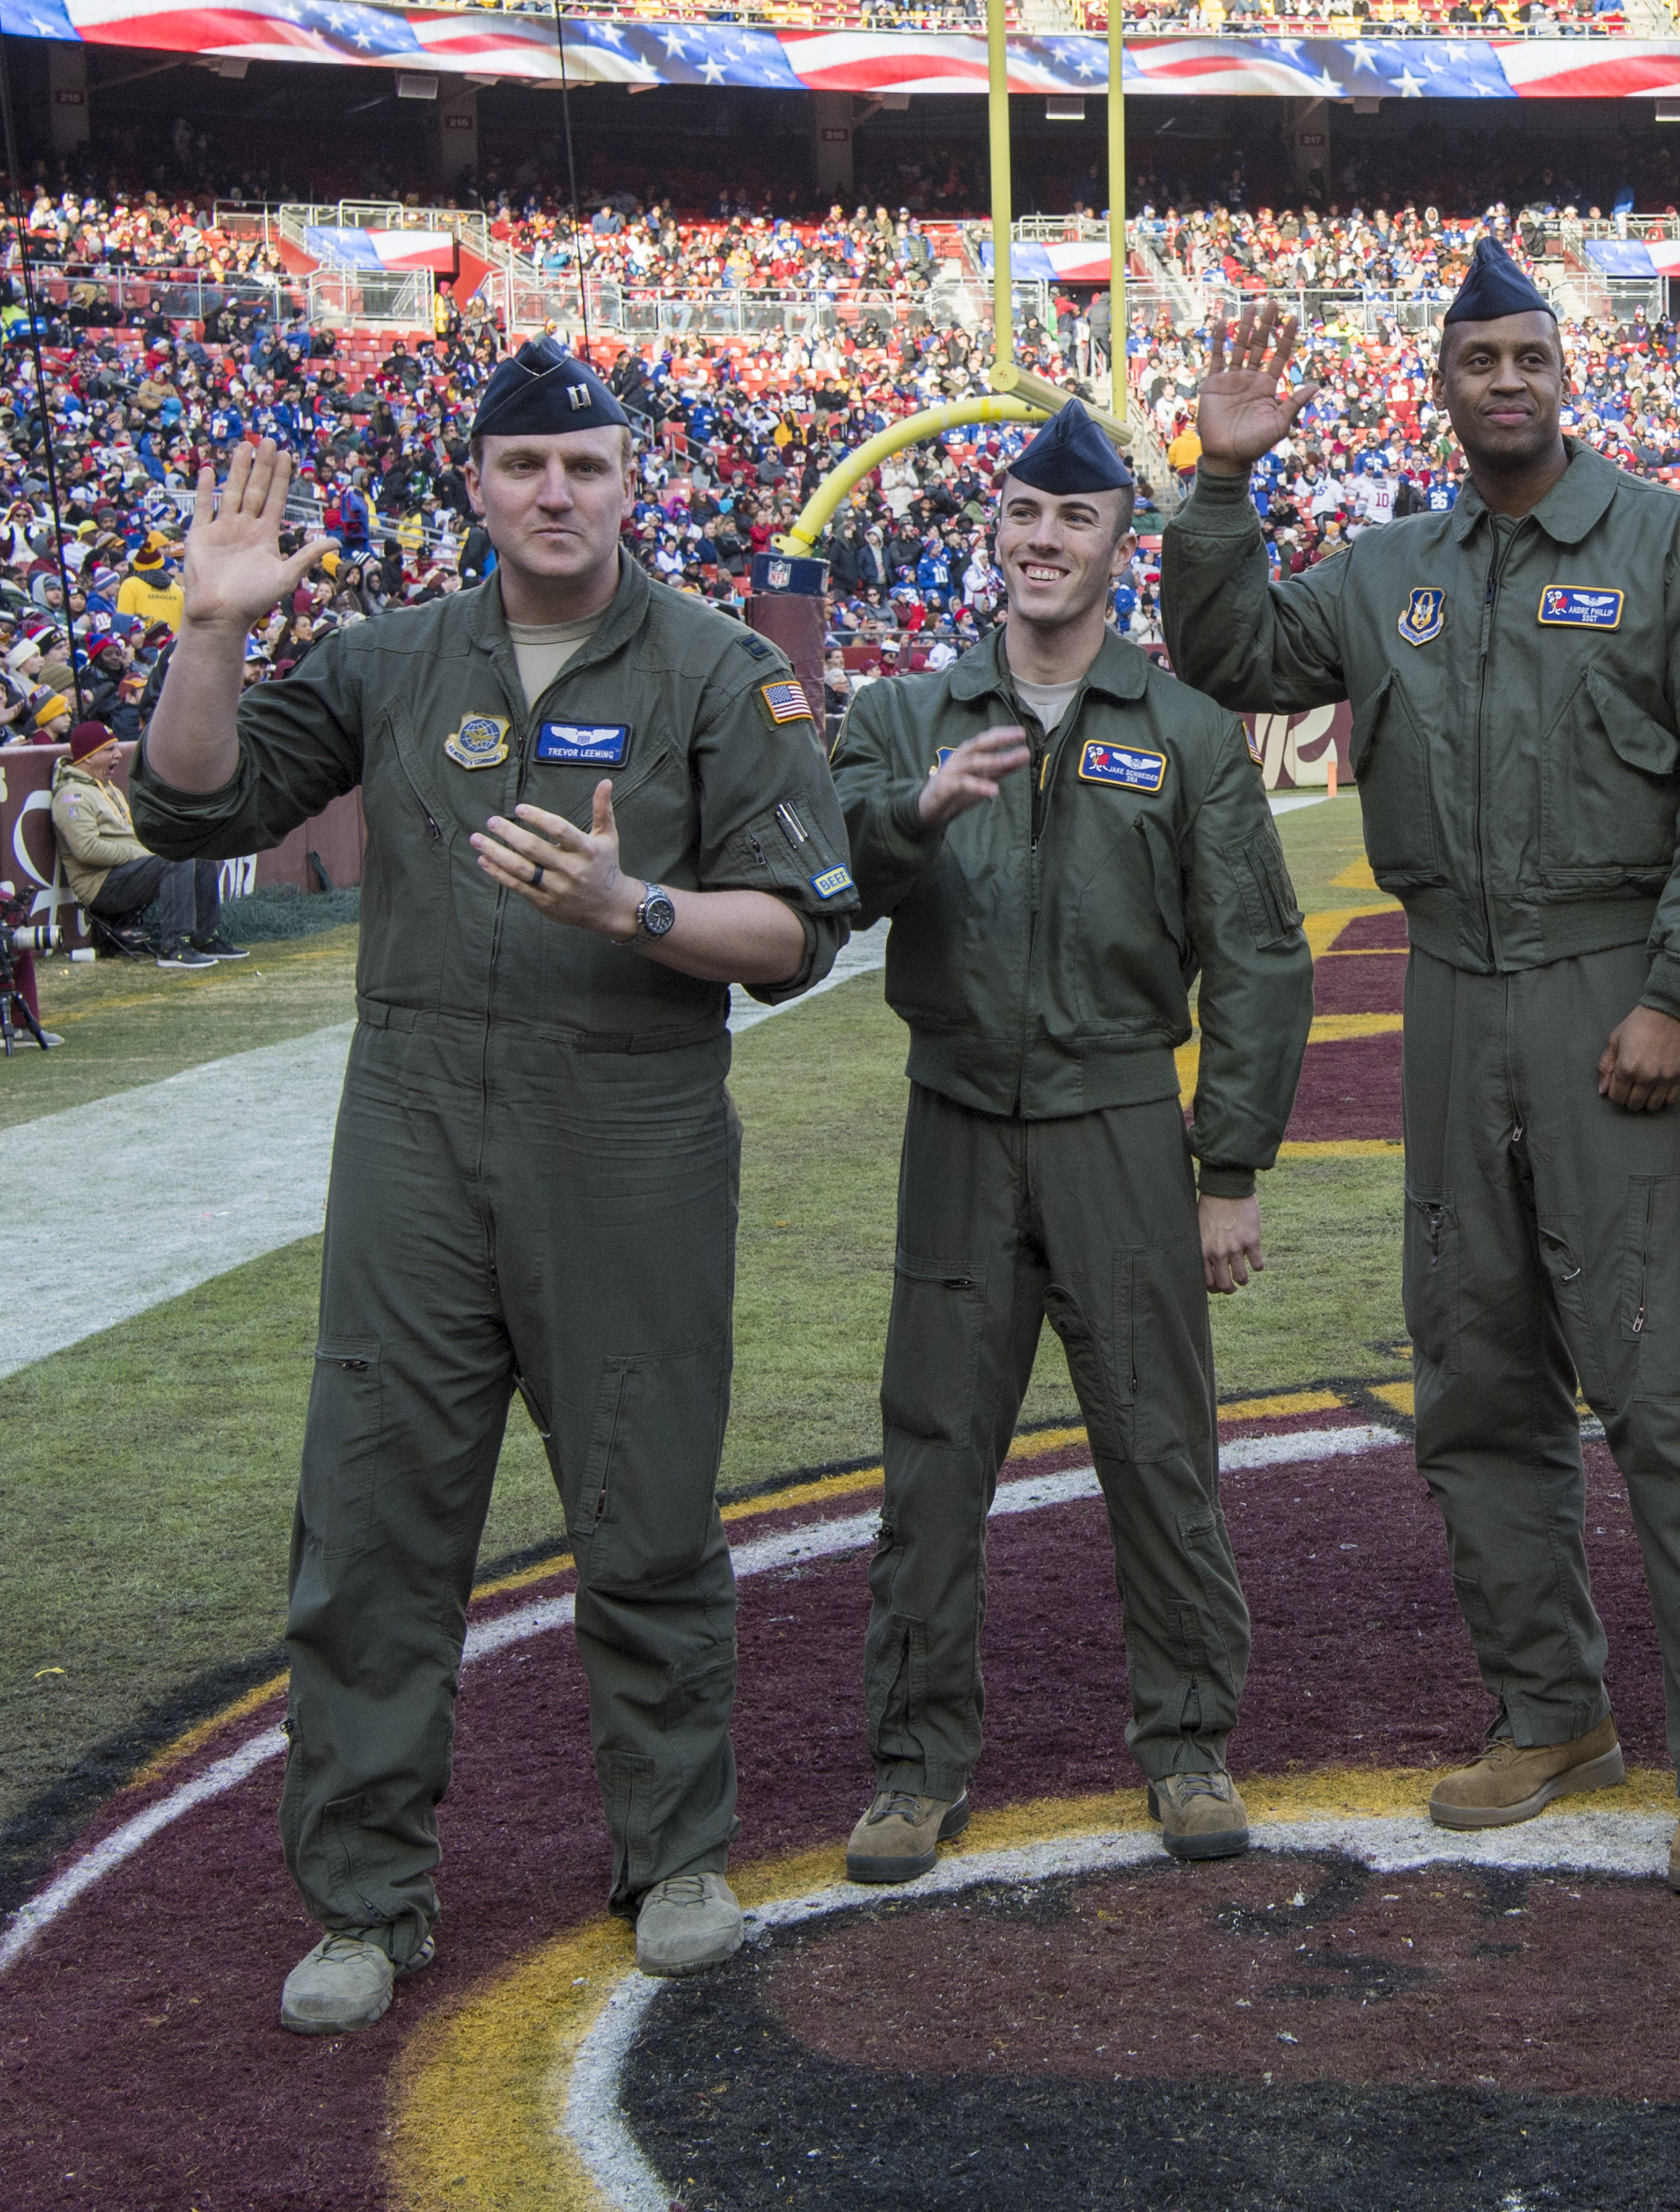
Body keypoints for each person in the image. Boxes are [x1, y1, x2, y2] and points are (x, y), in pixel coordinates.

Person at [133, 341, 860, 2037]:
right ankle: (364, 1897)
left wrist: (633, 908)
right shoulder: (392, 657)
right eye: (524, 466)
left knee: (646, 1508)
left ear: (629, 482)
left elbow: (798, 928)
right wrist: (211, 627)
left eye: (586, 465)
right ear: (473, 483)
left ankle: (673, 1855)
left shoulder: (718, 666)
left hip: (630, 1128)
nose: (555, 493)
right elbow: (191, 810)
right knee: (373, 1521)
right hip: (413, 1127)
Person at [1160, 244, 1680, 1895]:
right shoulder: (1387, 570)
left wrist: (1679, 990)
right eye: (1476, 361)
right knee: (1475, 1381)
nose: (1504, 381)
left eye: (1528, 357)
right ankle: (1550, 1710)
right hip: (1452, 990)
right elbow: (1228, 655)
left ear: (1565, 377)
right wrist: (1219, 482)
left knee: (1670, 1387)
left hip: (1615, 990)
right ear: (1439, 387)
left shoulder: (1673, 547)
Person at [829, 401, 1313, 1884]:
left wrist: (1227, 1167)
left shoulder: (1182, 731)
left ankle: (1188, 1743)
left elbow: (1259, 956)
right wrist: (914, 815)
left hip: (1119, 1127)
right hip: (957, 1122)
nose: (1046, 540)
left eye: (1077, 519)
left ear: (1120, 545)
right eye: (1026, 514)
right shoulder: (900, 716)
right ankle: (915, 1764)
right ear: (995, 531)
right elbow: (825, 885)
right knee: (931, 1460)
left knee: (1159, 1448)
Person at [53, 723, 240, 967]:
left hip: (125, 872)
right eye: (109, 750)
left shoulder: (107, 788)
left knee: (197, 853)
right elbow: (87, 850)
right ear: (88, 757)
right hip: (100, 886)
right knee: (174, 862)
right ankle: (175, 947)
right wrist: (143, 853)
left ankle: (206, 938)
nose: (118, 755)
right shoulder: (71, 797)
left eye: (117, 748)